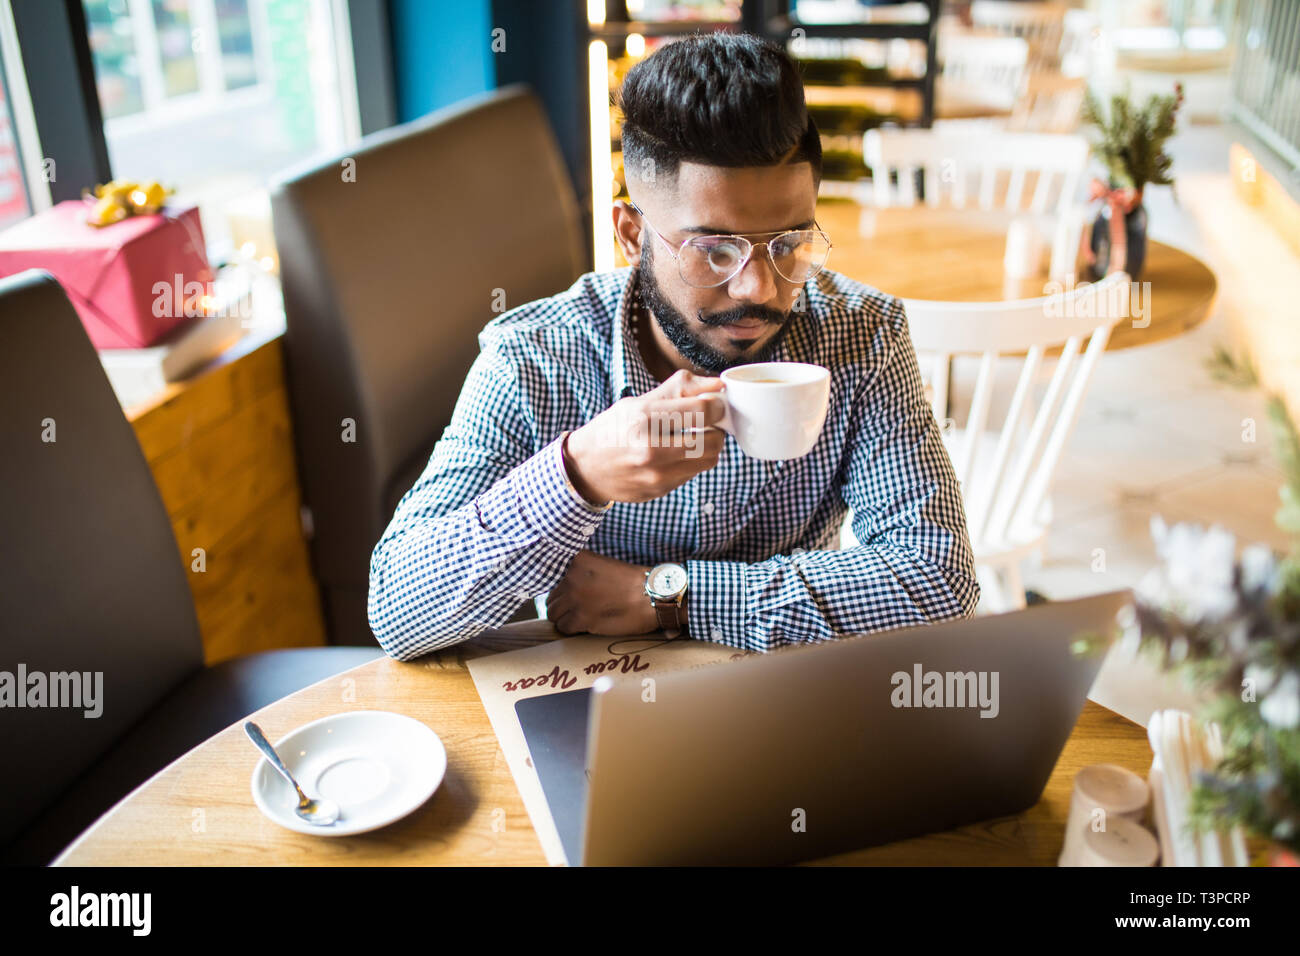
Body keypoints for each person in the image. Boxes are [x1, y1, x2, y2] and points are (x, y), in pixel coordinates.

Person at [367, 33, 978, 660]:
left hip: (791, 702)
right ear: (632, 235)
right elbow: (397, 610)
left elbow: (940, 584)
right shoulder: (535, 358)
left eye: (789, 243)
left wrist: (670, 596)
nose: (758, 288)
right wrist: (577, 473)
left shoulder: (863, 335)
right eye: (714, 250)